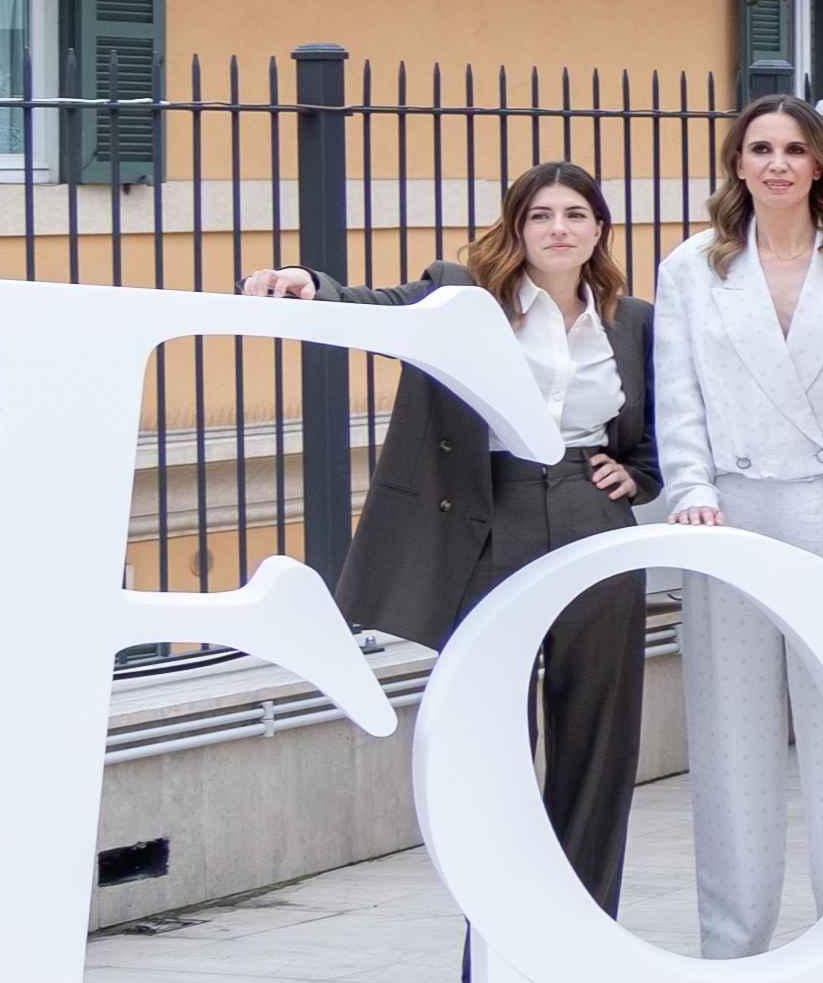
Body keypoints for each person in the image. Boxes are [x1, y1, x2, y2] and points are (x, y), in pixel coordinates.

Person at [241, 162, 661, 914]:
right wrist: (312, 283)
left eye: (573, 213)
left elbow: (659, 431)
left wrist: (637, 475)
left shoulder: (632, 320)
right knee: (495, 736)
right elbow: (388, 308)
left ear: (599, 227)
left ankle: (586, 930)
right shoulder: (466, 297)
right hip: (489, 518)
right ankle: (500, 951)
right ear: (516, 227)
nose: (557, 228)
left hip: (591, 518)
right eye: (539, 215)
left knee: (599, 742)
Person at [655, 93, 823, 961]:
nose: (776, 163)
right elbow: (678, 394)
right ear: (737, 163)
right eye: (760, 148)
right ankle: (731, 940)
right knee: (729, 728)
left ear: (820, 165)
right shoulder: (693, 268)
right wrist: (690, 487)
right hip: (726, 508)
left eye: (793, 149)